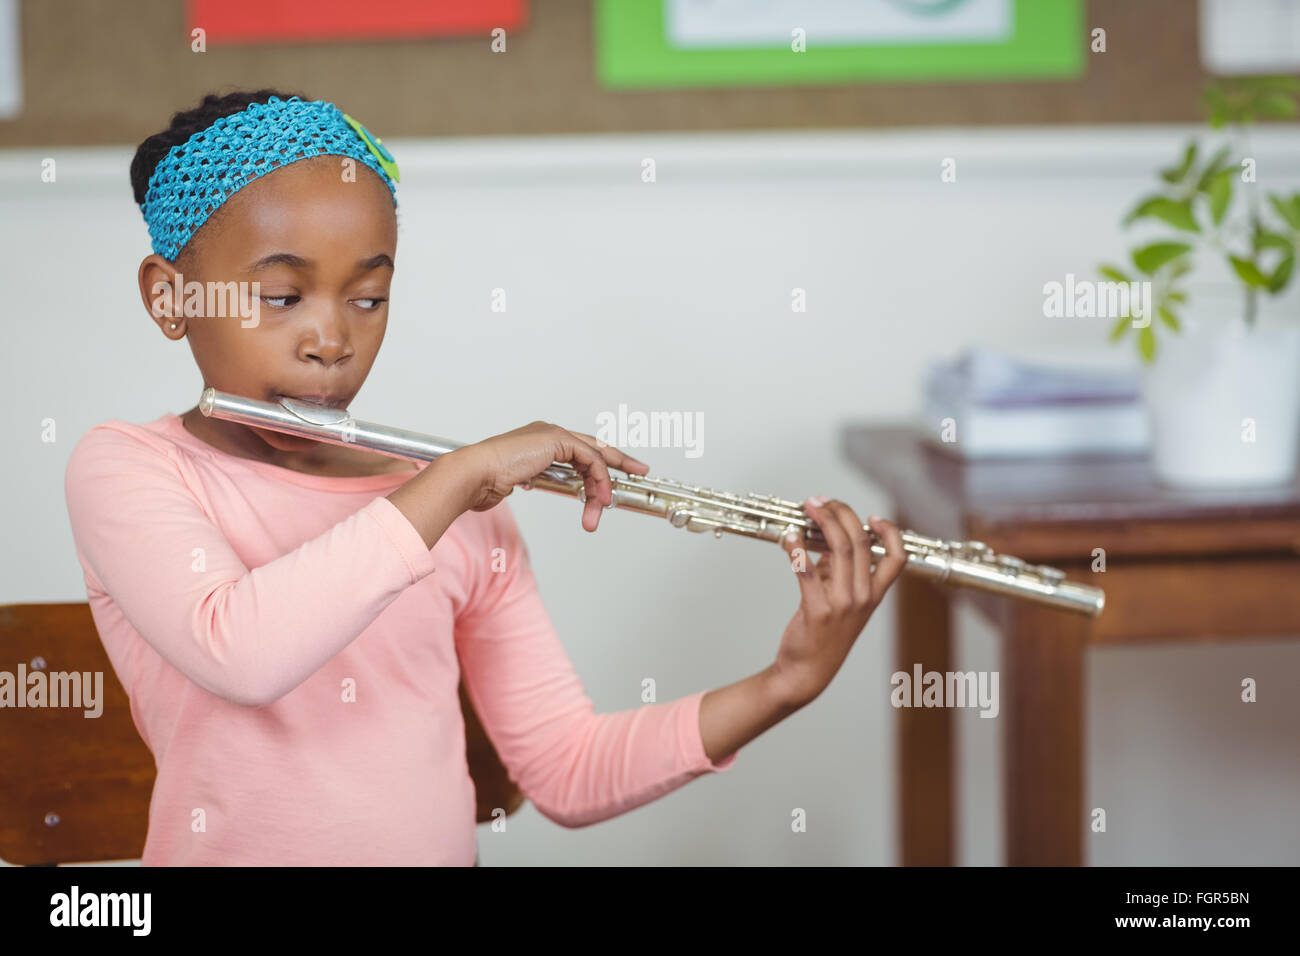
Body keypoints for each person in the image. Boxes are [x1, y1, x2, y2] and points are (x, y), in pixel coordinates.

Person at [63, 89, 906, 865]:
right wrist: (454, 479)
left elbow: (567, 771)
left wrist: (789, 681)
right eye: (283, 296)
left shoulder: (459, 506)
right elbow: (240, 650)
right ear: (170, 297)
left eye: (368, 297)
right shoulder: (131, 468)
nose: (331, 339)